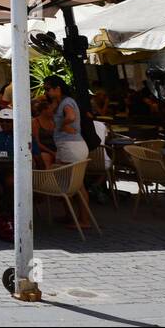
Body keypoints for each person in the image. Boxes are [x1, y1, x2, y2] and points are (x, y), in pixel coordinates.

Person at [45, 75, 91, 228]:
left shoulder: (66, 102)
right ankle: (71, 216)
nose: (46, 92)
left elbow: (70, 116)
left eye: (48, 89)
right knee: (67, 183)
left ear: (58, 88)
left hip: (70, 146)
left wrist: (62, 125)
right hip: (71, 146)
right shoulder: (63, 101)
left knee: (76, 185)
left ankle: (83, 220)